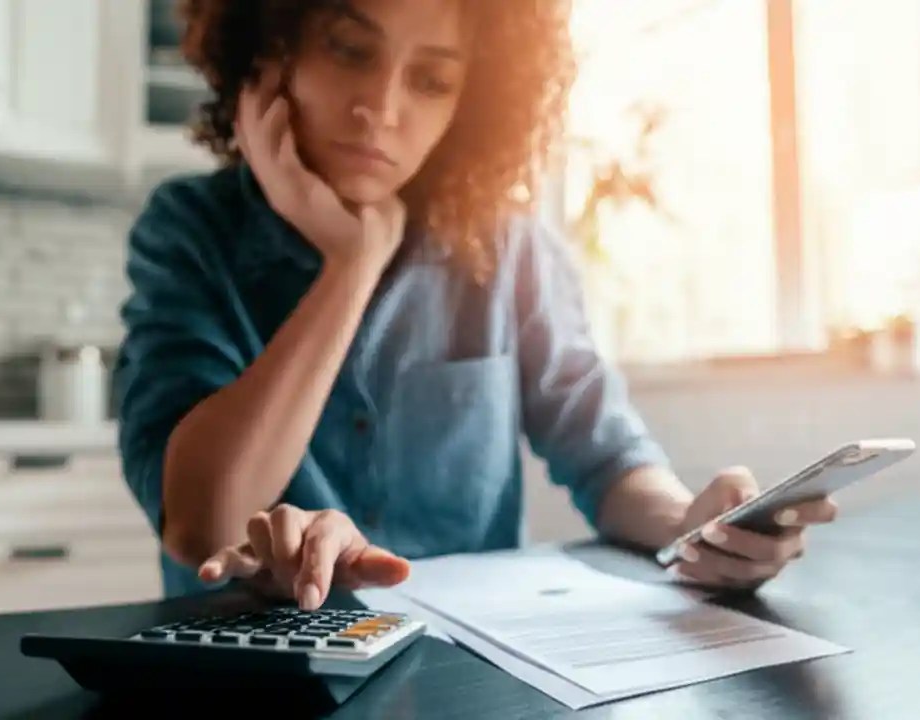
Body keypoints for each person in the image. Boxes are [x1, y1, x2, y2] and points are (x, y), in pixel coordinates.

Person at [114, 0, 838, 610]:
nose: (382, 108)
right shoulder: (189, 232)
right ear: (271, 55)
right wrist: (350, 265)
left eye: (431, 80)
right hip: (246, 675)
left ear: (472, 104)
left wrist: (694, 524)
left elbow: (608, 458)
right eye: (348, 50)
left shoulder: (510, 250)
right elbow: (201, 525)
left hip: (459, 669)